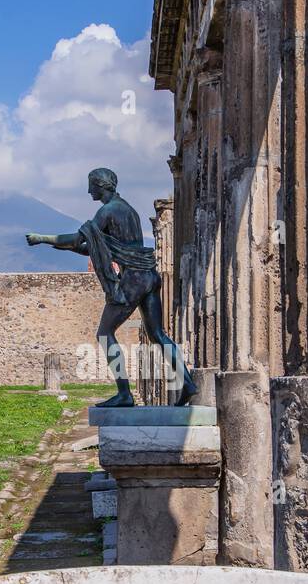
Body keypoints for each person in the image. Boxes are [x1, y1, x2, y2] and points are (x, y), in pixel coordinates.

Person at [25, 168, 198, 408]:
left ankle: (124, 393)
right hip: (150, 276)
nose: (88, 191)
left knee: (105, 334)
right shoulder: (129, 211)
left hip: (133, 281)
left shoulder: (107, 212)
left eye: (91, 186)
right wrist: (60, 246)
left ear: (101, 185)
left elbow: (77, 240)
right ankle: (187, 382)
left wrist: (43, 238)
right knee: (157, 334)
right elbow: (92, 248)